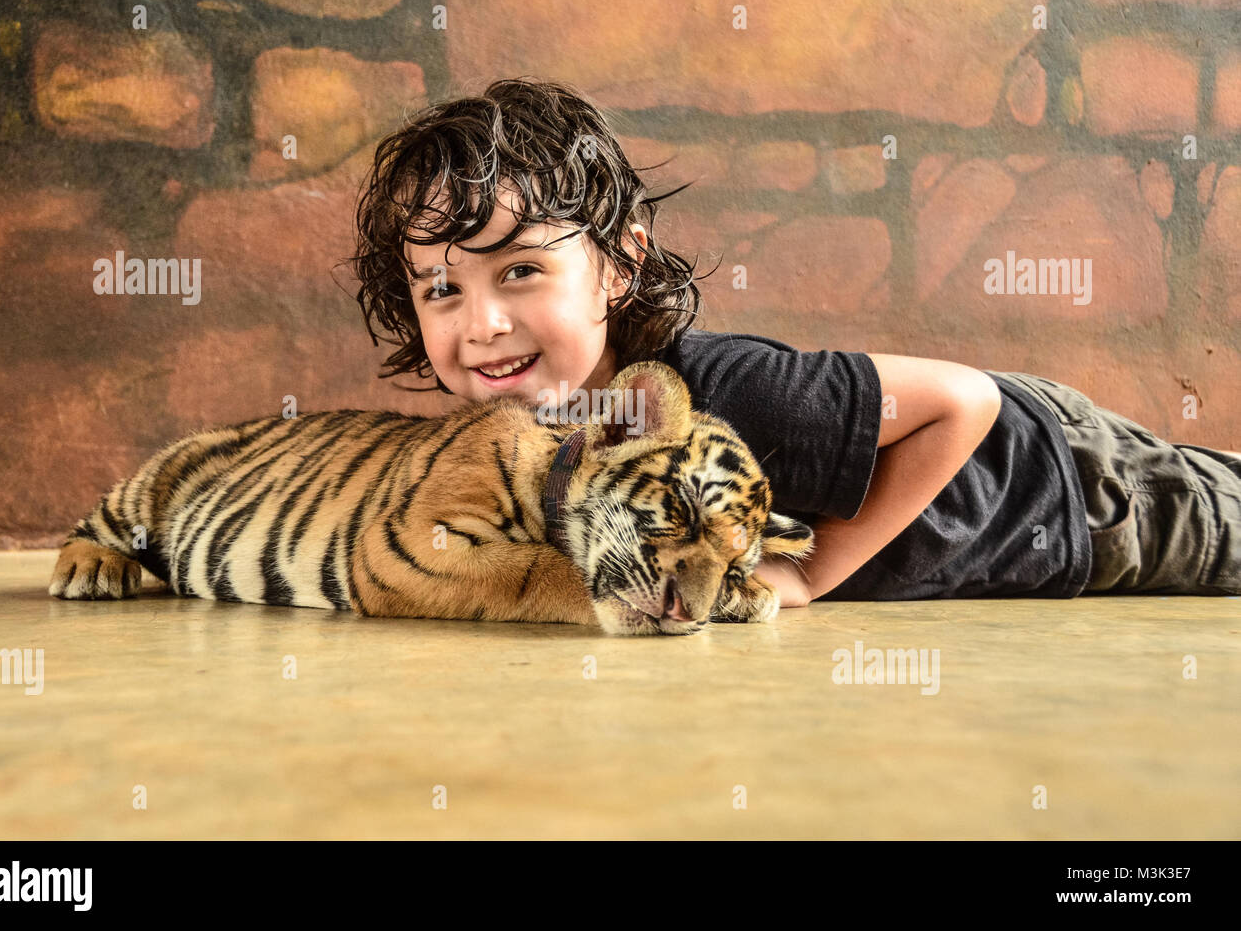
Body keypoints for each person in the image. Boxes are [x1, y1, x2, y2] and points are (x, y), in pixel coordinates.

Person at [349, 77, 1241, 604]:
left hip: (1065, 490)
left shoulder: (734, 400)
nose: (482, 324)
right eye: (443, 288)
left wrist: (814, 578)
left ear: (620, 267)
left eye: (519, 272)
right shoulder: (540, 433)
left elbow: (967, 402)